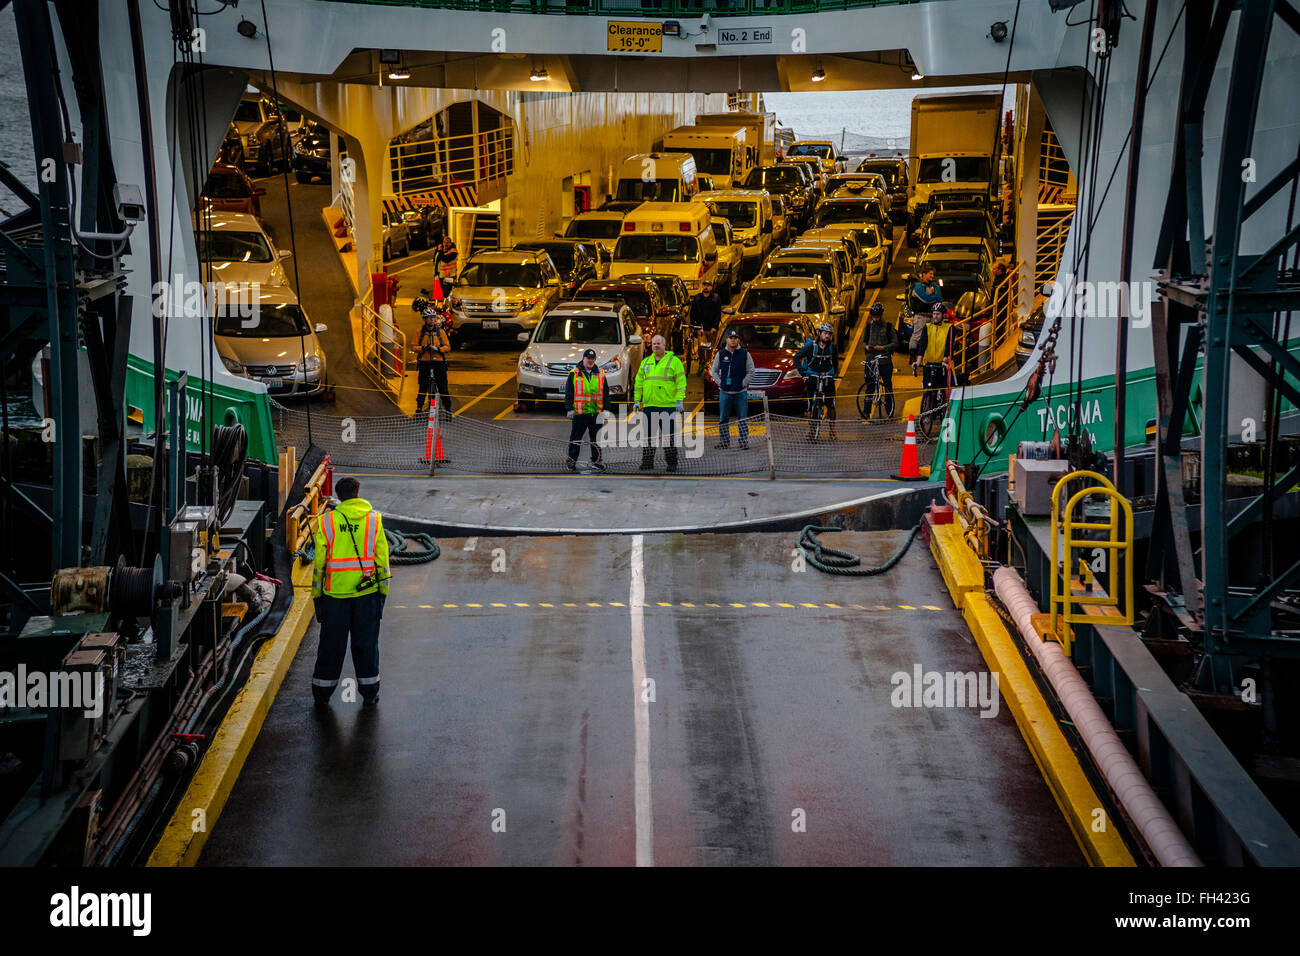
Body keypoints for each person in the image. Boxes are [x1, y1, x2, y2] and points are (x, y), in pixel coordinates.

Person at [311, 477, 390, 708]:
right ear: (357, 493)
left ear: (339, 496)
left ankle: (322, 694)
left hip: (335, 596)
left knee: (330, 646)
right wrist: (382, 593)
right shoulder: (374, 521)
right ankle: (369, 693)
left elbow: (319, 564)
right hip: (368, 595)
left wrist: (318, 596)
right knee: (366, 644)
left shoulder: (327, 522)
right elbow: (382, 561)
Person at [633, 334, 686, 473]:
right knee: (649, 437)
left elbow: (681, 383)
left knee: (669, 438)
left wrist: (679, 400)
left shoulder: (674, 362)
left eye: (658, 343)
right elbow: (638, 383)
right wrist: (637, 400)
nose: (655, 346)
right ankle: (647, 463)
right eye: (653, 343)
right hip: (649, 406)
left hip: (667, 406)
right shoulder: (645, 362)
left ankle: (672, 464)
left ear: (664, 345)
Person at [564, 348, 610, 472]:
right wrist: (569, 408)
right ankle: (571, 462)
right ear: (583, 359)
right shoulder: (574, 373)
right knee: (576, 438)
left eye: (592, 359)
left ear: (594, 360)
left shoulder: (600, 374)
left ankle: (596, 461)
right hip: (580, 413)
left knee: (596, 439)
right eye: (588, 359)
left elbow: (605, 393)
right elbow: (569, 392)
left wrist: (606, 409)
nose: (590, 361)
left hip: (596, 413)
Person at [710, 327, 755, 449]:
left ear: (739, 340)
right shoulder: (720, 354)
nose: (733, 340)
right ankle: (724, 442)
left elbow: (751, 371)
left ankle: (743, 442)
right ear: (727, 339)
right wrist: (721, 383)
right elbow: (713, 371)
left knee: (742, 418)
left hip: (741, 392)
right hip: (725, 392)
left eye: (735, 338)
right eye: (731, 338)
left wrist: (743, 383)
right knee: (723, 419)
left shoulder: (745, 354)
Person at [794, 322, 839, 440]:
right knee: (809, 407)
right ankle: (811, 430)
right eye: (825, 333)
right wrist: (803, 372)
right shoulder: (810, 347)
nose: (827, 336)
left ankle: (832, 429)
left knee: (831, 406)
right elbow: (796, 357)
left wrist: (835, 375)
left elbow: (835, 362)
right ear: (819, 334)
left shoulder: (832, 348)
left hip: (827, 378)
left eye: (829, 334)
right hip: (813, 377)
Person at [412, 306, 451, 417]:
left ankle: (448, 410)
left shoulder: (440, 332)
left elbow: (447, 347)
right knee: (422, 386)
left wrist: (438, 349)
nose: (432, 320)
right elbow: (413, 347)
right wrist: (423, 348)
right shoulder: (419, 332)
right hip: (425, 363)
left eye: (434, 317)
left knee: (443, 387)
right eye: (430, 318)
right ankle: (419, 408)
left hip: (439, 363)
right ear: (424, 319)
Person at [912, 304, 954, 397]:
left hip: (943, 364)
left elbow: (949, 346)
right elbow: (922, 345)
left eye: (937, 314)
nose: (935, 316)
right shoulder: (927, 327)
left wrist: (945, 360)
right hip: (929, 364)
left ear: (943, 315)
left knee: (947, 390)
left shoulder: (949, 328)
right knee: (926, 389)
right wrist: (918, 362)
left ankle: (947, 408)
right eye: (934, 314)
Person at [862, 302, 898, 405]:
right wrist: (867, 347)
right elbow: (864, 342)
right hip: (871, 361)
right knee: (869, 387)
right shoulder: (868, 327)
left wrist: (883, 347)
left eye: (877, 317)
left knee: (887, 386)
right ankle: (866, 412)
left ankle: (889, 411)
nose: (875, 319)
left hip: (885, 361)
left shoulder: (888, 327)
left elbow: (895, 343)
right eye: (873, 317)